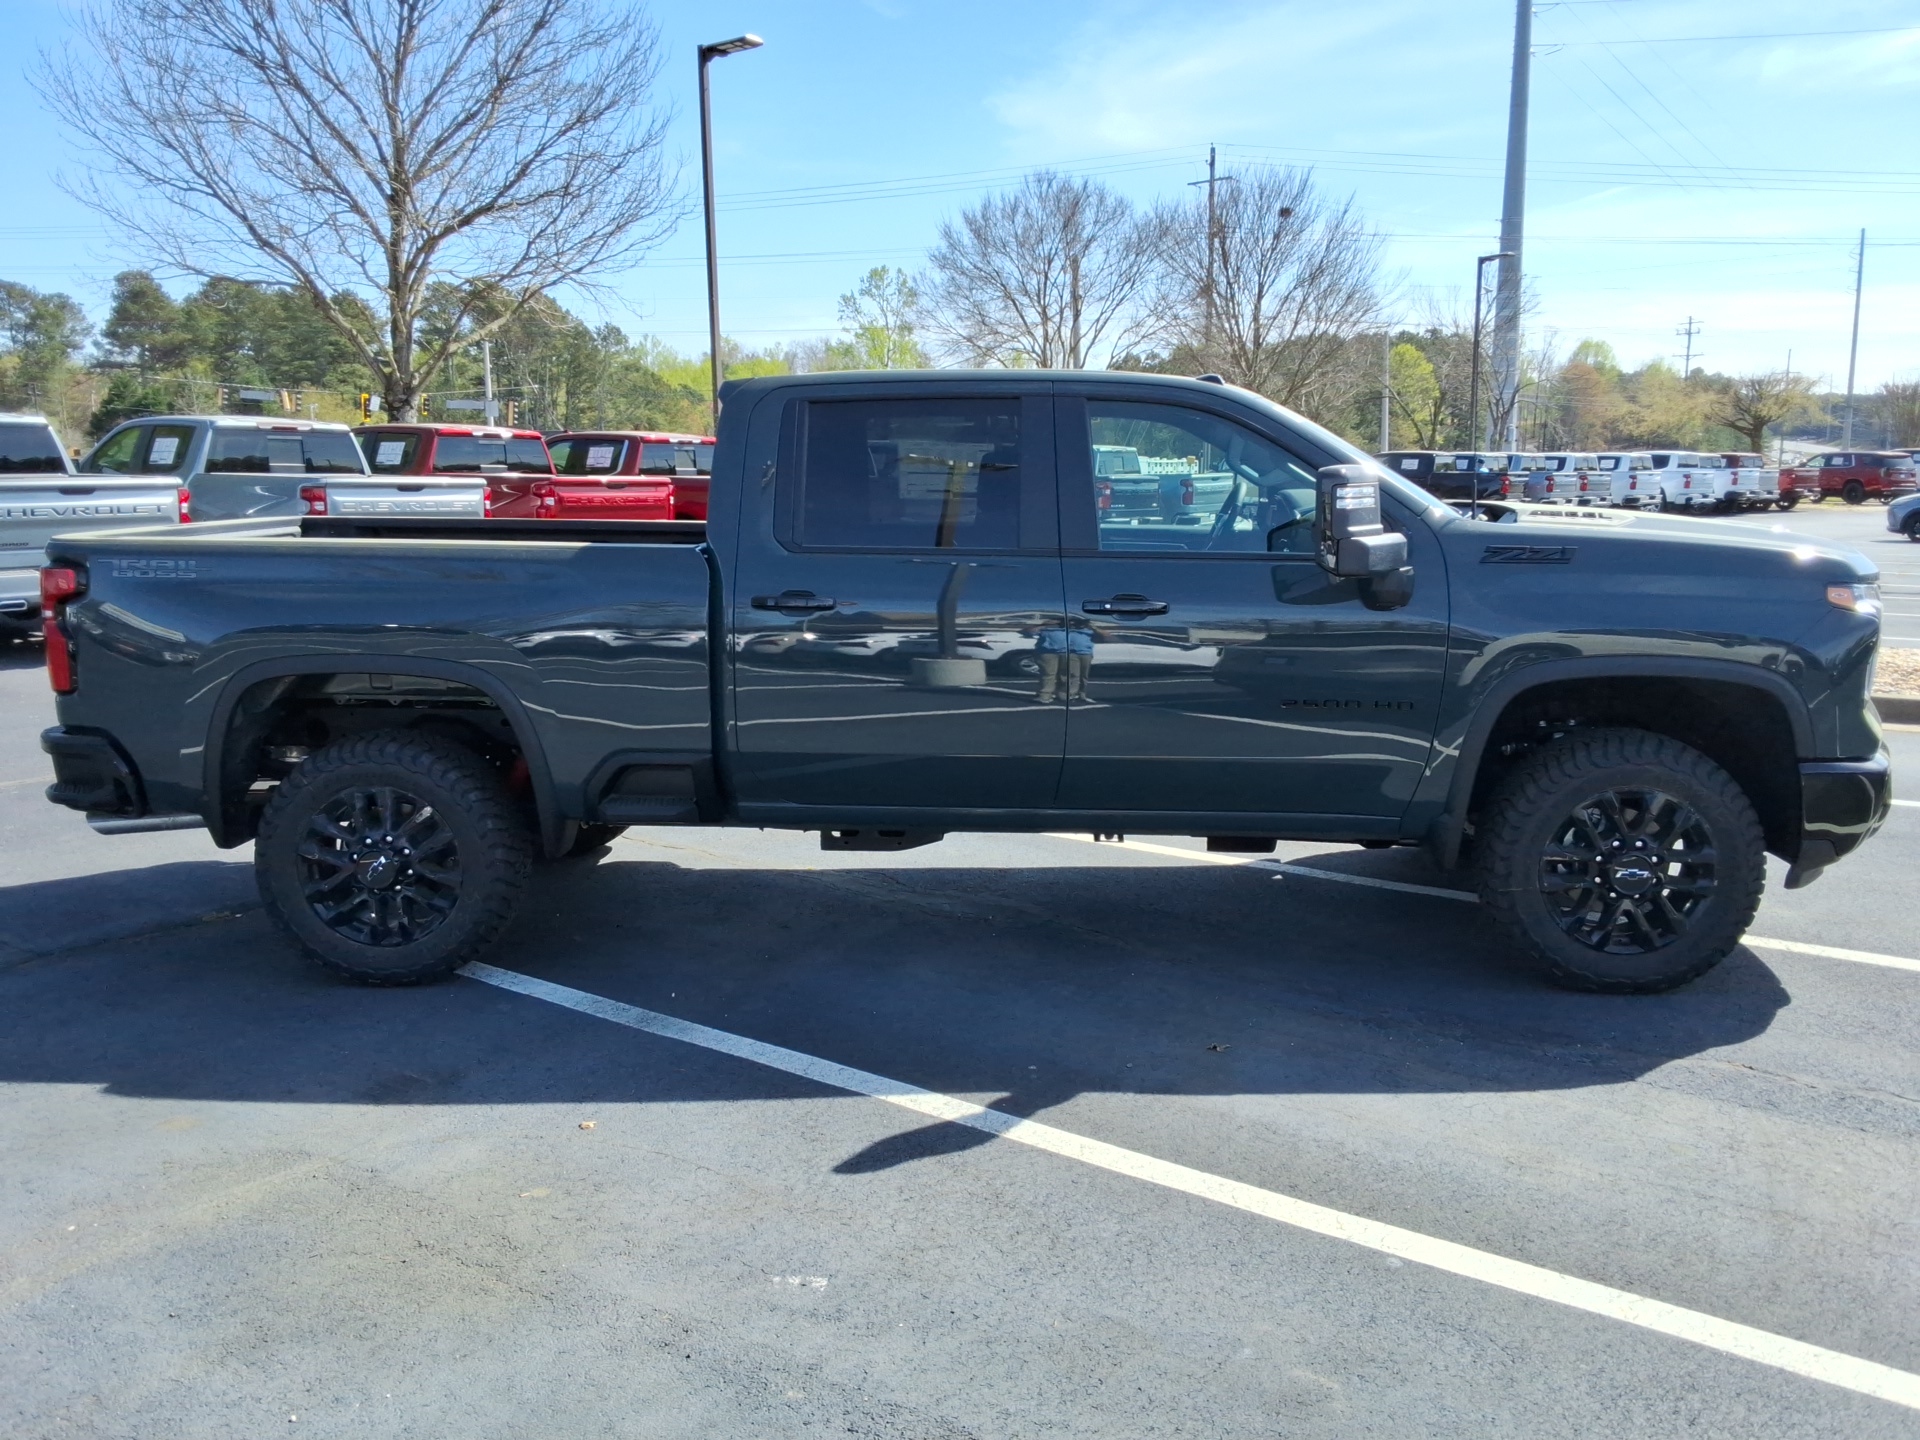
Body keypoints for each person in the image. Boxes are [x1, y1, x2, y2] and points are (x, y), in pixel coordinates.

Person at [1032, 621, 1093, 703]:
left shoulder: (1075, 630)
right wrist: (1044, 625)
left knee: (1066, 674)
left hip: (1066, 652)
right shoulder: (1046, 628)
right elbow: (1028, 631)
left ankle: (1064, 695)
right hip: (1047, 652)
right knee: (1048, 673)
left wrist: (1090, 626)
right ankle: (1045, 696)